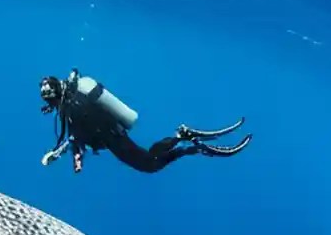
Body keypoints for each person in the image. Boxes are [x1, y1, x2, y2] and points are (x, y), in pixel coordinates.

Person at [38, 69, 252, 174]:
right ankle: (182, 138)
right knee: (149, 159)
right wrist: (65, 153)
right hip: (115, 136)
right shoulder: (72, 103)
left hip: (114, 140)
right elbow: (77, 136)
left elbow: (78, 135)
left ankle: (188, 145)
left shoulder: (71, 108)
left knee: (150, 164)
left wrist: (70, 155)